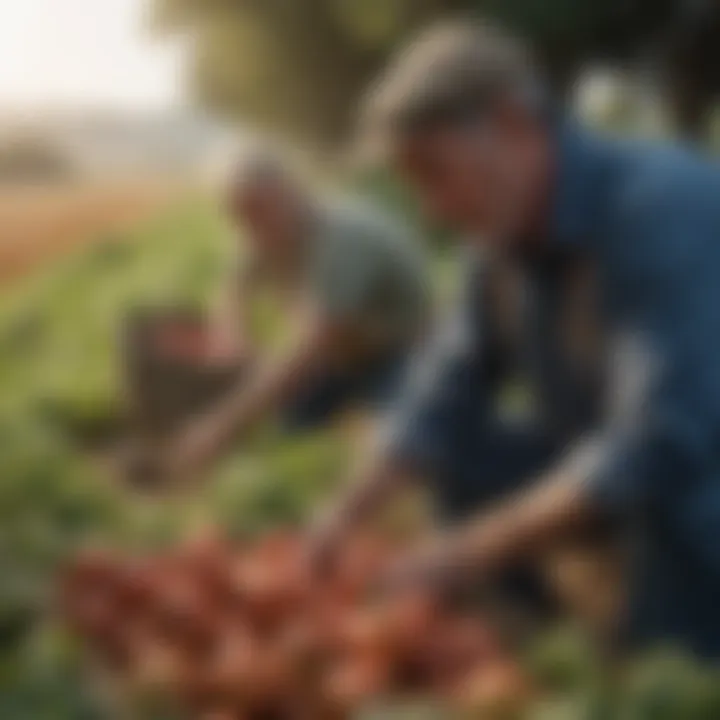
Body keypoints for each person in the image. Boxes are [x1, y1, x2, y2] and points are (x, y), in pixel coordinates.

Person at [309, 19, 720, 660]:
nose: (435, 211)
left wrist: (468, 549)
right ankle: (527, 644)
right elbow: (442, 393)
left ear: (513, 125)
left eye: (436, 174)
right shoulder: (500, 244)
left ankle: (659, 644)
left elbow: (661, 442)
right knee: (453, 449)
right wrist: (342, 512)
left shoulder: (660, 208)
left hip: (694, 473)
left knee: (674, 601)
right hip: (612, 456)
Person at [161, 146, 431, 477]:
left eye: (263, 208)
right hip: (340, 358)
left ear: (294, 191)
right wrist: (235, 334)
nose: (255, 224)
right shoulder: (267, 233)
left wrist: (222, 426)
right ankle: (339, 424)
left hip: (400, 352)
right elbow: (232, 287)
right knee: (286, 424)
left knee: (402, 442)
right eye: (242, 215)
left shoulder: (345, 239)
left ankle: (382, 434)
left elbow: (310, 347)